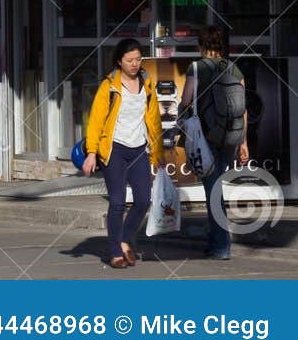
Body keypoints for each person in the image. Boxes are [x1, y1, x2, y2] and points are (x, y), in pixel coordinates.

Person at [82, 38, 164, 269]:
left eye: (138, 59)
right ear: (119, 61)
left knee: (143, 200)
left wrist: (157, 153)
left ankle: (126, 237)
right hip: (115, 150)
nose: (135, 64)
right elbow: (96, 121)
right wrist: (91, 152)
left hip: (139, 149)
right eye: (129, 60)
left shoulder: (147, 84)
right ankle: (115, 252)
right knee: (117, 203)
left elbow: (154, 121)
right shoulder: (109, 86)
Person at [181, 24, 250, 260]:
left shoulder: (196, 68)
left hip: (207, 136)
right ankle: (215, 240)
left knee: (213, 190)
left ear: (202, 45)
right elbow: (243, 111)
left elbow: (186, 99)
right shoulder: (235, 69)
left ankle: (221, 245)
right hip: (231, 136)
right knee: (216, 187)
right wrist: (243, 143)